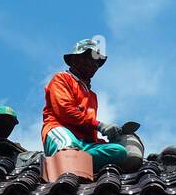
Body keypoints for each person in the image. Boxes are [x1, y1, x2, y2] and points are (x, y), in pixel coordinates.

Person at [41, 38, 139, 168]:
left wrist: (109, 137)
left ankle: (79, 160)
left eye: (97, 62)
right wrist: (99, 125)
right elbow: (65, 111)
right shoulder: (62, 78)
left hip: (85, 144)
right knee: (68, 150)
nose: (94, 64)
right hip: (60, 129)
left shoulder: (92, 96)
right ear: (76, 59)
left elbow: (88, 129)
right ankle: (67, 160)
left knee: (119, 151)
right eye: (90, 58)